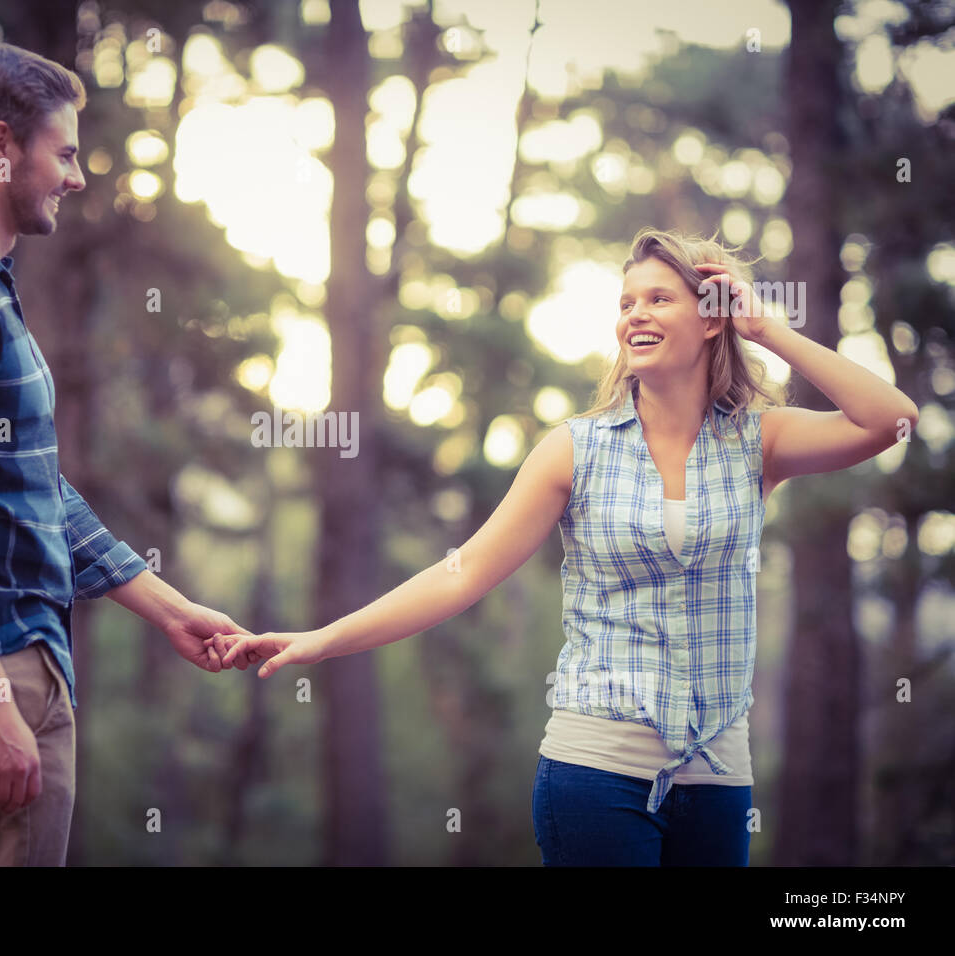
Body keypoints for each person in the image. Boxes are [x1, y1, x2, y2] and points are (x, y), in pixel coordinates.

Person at [214, 228, 920, 866]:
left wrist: (768, 329)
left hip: (717, 775)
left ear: (712, 320)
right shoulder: (574, 452)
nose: (634, 314)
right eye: (626, 302)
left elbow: (893, 421)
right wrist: (318, 640)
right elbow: (459, 576)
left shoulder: (756, 440)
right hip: (596, 773)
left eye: (658, 299)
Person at [0, 43, 253, 866]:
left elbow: (26, 486)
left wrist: (172, 611)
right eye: (64, 153)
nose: (75, 177)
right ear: (2, 146)